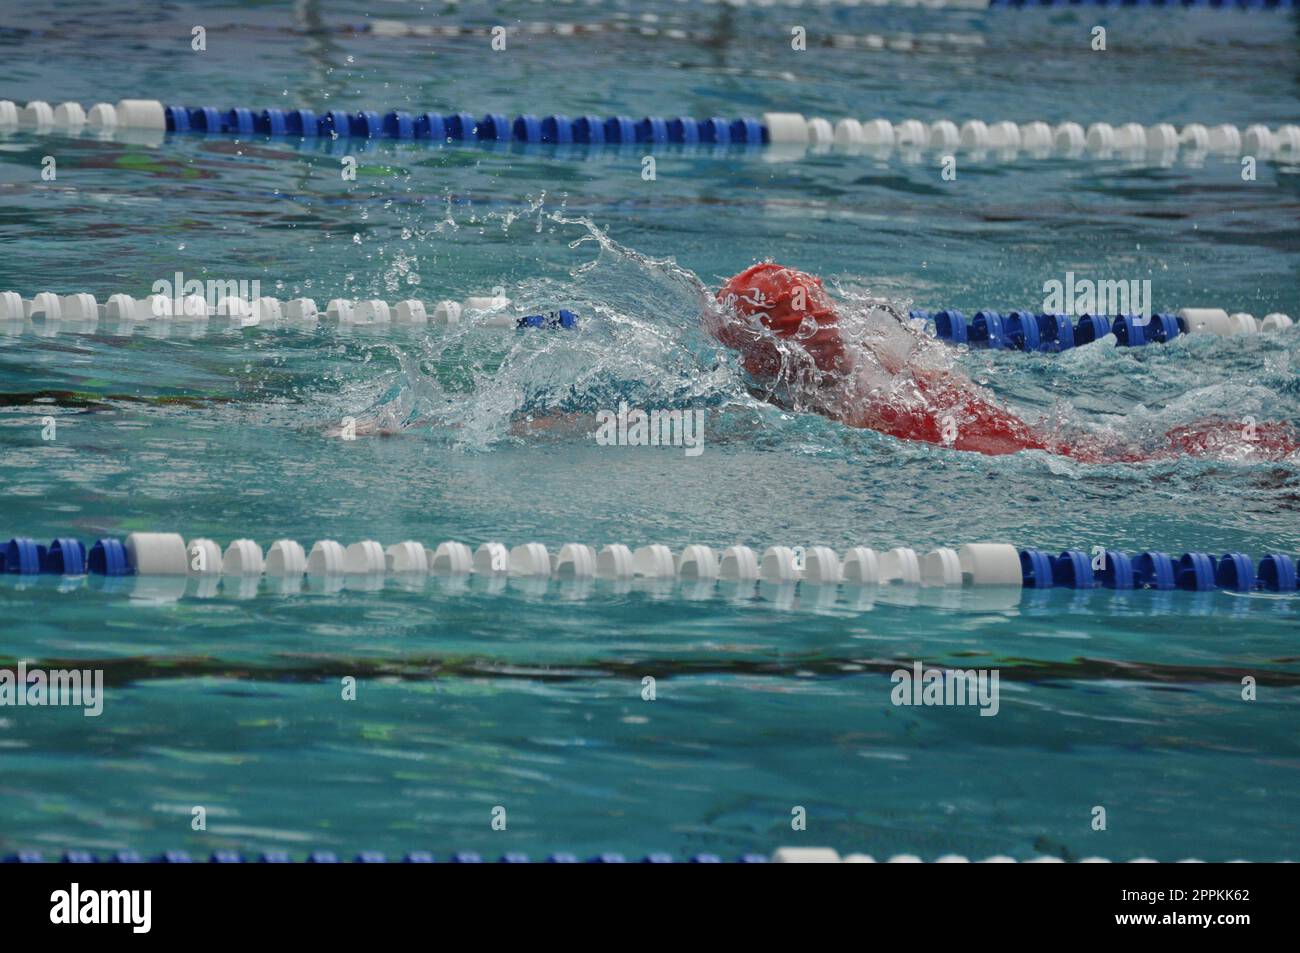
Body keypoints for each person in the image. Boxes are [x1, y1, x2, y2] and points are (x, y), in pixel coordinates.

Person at [713, 262, 1297, 462]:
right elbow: (939, 368)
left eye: (740, 340)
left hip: (984, 449)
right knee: (1123, 451)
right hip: (987, 420)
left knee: (1129, 465)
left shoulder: (847, 402)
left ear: (772, 349)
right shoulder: (873, 341)